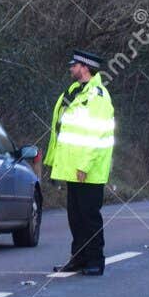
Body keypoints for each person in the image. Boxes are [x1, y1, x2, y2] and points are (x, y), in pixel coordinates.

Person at [45, 49, 116, 276]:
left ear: (85, 67)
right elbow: (61, 129)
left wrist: (84, 166)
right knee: (75, 217)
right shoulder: (74, 91)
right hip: (71, 167)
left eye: (74, 65)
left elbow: (96, 136)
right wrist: (54, 161)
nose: (71, 68)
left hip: (89, 169)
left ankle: (95, 260)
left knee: (89, 216)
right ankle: (78, 258)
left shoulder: (98, 96)